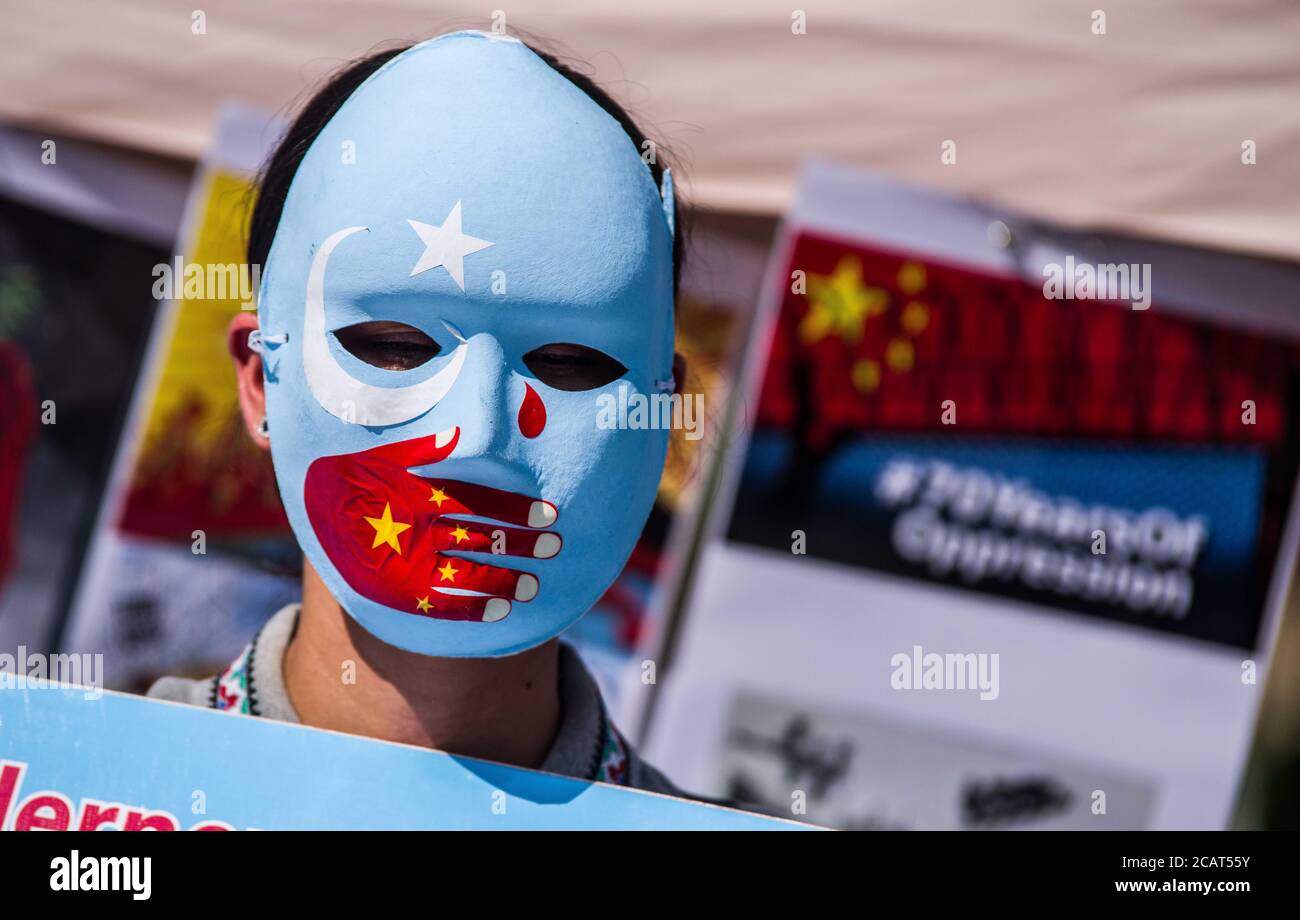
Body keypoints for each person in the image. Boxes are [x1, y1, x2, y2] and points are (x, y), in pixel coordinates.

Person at [149, 29, 690, 796]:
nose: (477, 434)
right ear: (259, 380)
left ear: (661, 414)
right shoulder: (79, 804)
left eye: (570, 362)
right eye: (396, 345)